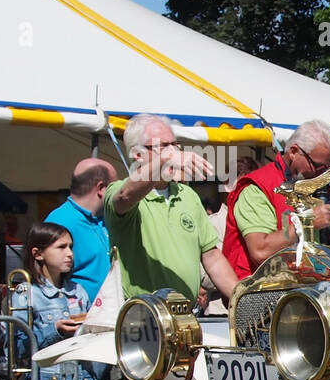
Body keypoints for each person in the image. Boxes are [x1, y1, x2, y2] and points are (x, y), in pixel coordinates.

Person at [103, 114, 241, 301]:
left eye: (175, 145)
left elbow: (212, 258)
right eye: (164, 146)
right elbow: (124, 197)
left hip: (186, 316)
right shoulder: (120, 190)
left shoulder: (187, 195)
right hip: (142, 316)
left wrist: (242, 299)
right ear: (138, 155)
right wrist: (166, 159)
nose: (175, 152)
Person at [9, 222, 95, 380]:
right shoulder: (26, 293)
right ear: (38, 254)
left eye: (71, 247)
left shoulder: (78, 290)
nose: (70, 254)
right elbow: (19, 349)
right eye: (61, 247)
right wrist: (54, 331)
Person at [222, 120, 330, 277]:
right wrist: (306, 222)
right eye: (316, 166)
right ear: (294, 151)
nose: (321, 173)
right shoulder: (257, 188)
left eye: (327, 166)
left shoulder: (316, 188)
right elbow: (260, 251)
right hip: (261, 292)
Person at [44, 158, 116, 303]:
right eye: (115, 187)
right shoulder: (59, 222)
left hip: (113, 315)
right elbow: (47, 281)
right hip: (79, 318)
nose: (119, 192)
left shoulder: (108, 217)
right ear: (101, 188)